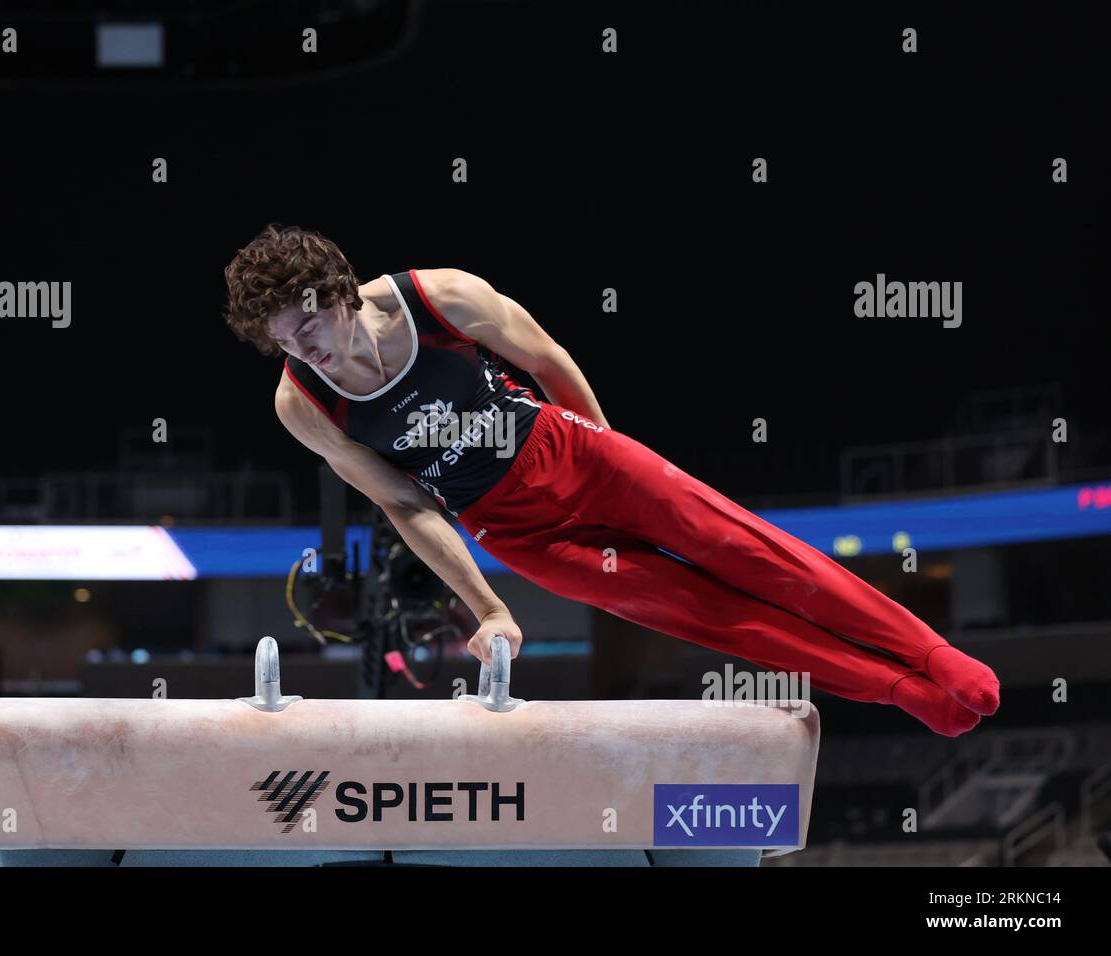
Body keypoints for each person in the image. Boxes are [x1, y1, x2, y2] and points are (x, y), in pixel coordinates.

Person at [223, 224, 1000, 737]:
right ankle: (896, 687)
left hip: (573, 454)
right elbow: (403, 501)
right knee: (711, 616)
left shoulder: (441, 297)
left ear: (339, 291)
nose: (303, 351)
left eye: (307, 327)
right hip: (519, 533)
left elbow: (547, 360)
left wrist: (606, 452)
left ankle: (931, 655)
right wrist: (489, 607)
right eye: (284, 343)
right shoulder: (302, 405)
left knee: (753, 554)